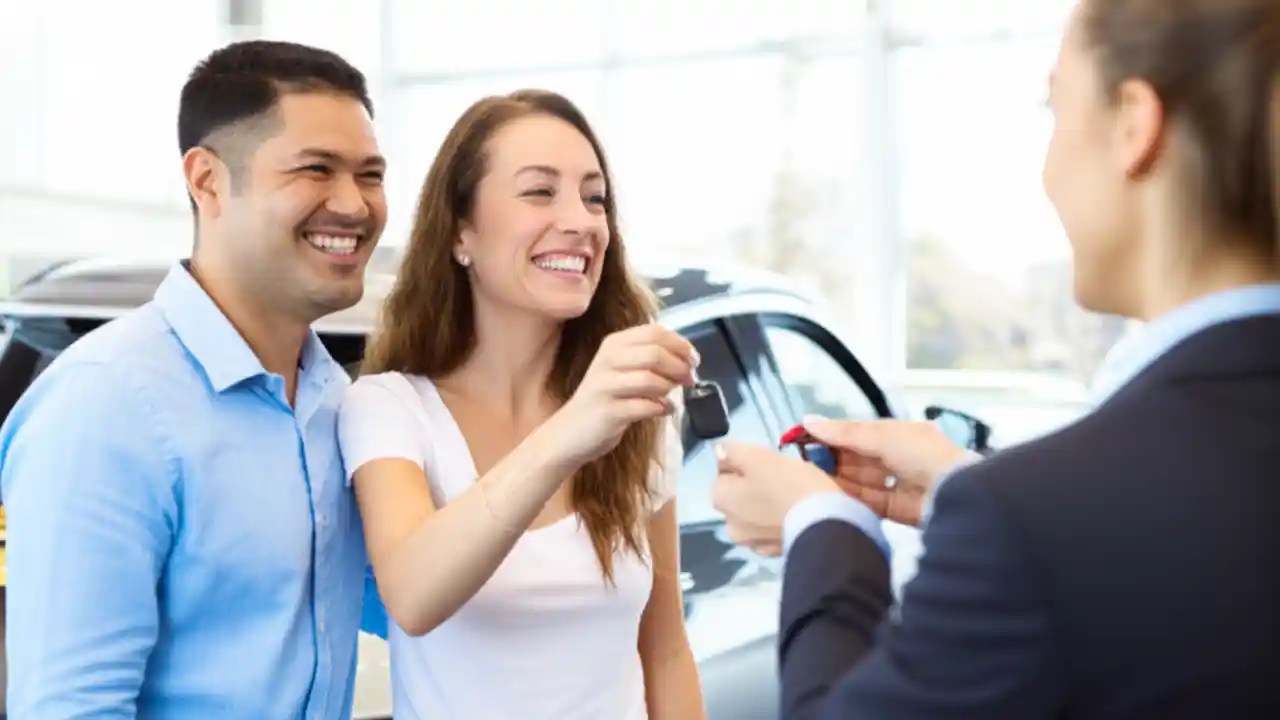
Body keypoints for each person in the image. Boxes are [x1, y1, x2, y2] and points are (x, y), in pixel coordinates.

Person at [711, 0, 1280, 717]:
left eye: (1055, 109)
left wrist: (825, 529)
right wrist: (967, 489)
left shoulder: (1032, 520)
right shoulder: (1049, 511)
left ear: (1135, 126)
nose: (1046, 171)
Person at [0, 40, 387, 718]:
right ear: (206, 180)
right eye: (316, 169)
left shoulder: (339, 404)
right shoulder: (106, 403)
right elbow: (72, 707)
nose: (353, 205)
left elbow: (429, 611)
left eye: (371, 174)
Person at [337, 89, 706, 720]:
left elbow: (665, 650)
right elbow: (413, 593)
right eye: (540, 192)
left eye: (595, 198)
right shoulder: (389, 408)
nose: (583, 220)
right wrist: (571, 431)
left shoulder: (637, 410)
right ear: (461, 232)